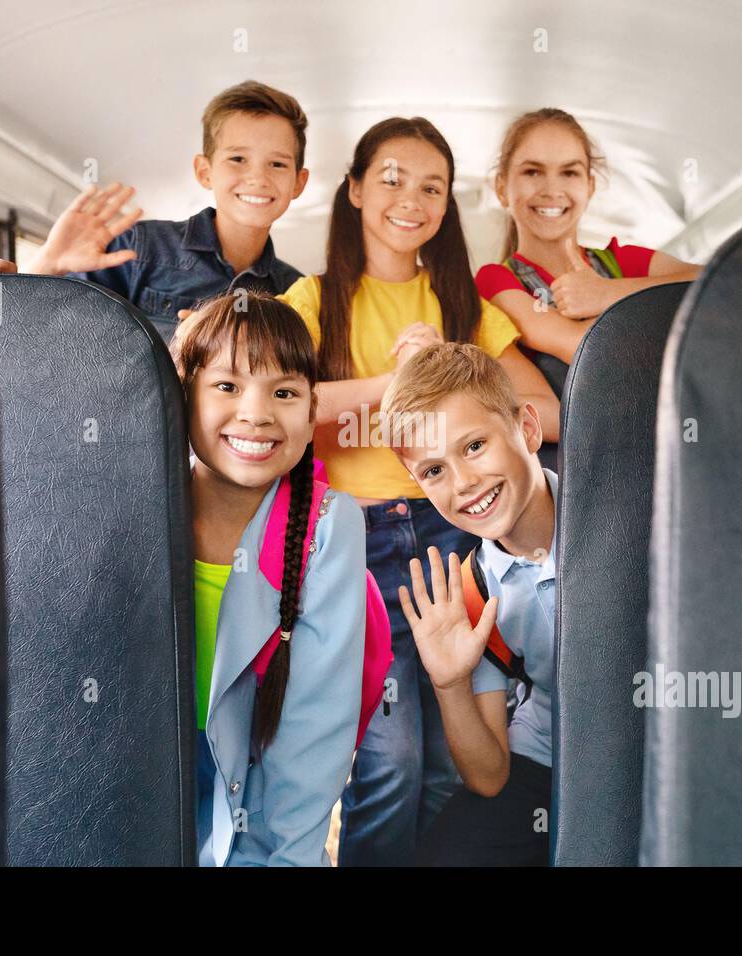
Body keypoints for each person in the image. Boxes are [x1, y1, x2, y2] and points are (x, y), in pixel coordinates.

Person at [277, 116, 559, 866]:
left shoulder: (463, 304)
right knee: (387, 764)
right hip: (358, 542)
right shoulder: (311, 297)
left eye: (433, 186)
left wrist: (456, 365)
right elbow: (288, 410)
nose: (413, 198)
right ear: (357, 190)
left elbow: (549, 411)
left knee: (448, 763)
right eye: (393, 179)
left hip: (454, 538)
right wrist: (403, 385)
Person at [172, 291, 366, 866]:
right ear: (180, 396)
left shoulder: (329, 527)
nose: (256, 414)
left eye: (284, 393)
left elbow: (312, 739)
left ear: (312, 417)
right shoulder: (134, 501)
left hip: (253, 816)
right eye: (227, 386)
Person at [0, 80, 310, 341]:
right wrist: (45, 267)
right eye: (238, 159)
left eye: (277, 164)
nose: (257, 178)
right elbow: (49, 338)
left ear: (299, 182)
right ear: (204, 171)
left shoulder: (298, 290)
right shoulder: (139, 248)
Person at [383, 342, 560, 866]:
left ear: (527, 429)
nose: (463, 483)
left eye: (474, 446)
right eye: (433, 471)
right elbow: (489, 776)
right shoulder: (470, 594)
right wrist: (450, 682)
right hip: (552, 761)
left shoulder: (629, 518)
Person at [478, 108, 700, 368]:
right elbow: (587, 351)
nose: (552, 190)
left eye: (569, 173)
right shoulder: (494, 282)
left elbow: (712, 281)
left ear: (589, 187)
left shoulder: (623, 261)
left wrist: (608, 293)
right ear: (502, 189)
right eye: (532, 172)